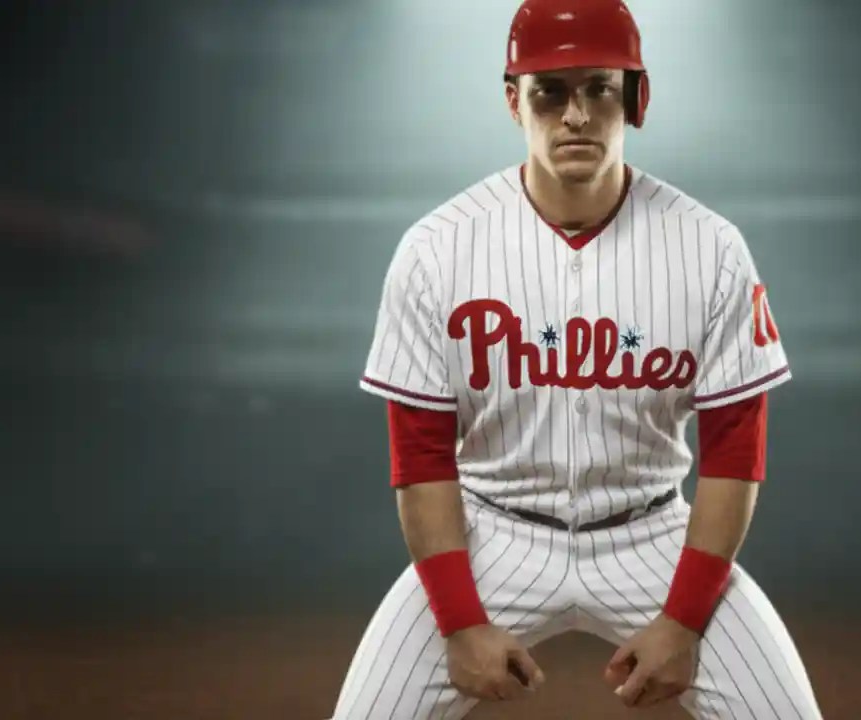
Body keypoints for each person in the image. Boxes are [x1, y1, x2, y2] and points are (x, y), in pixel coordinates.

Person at [328, 1, 824, 717]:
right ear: (514, 102)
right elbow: (421, 456)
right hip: (490, 537)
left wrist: (684, 618)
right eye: (549, 92)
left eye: (599, 87)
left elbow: (734, 455)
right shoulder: (437, 250)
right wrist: (460, 621)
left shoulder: (709, 247)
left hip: (653, 536)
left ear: (636, 98)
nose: (576, 115)